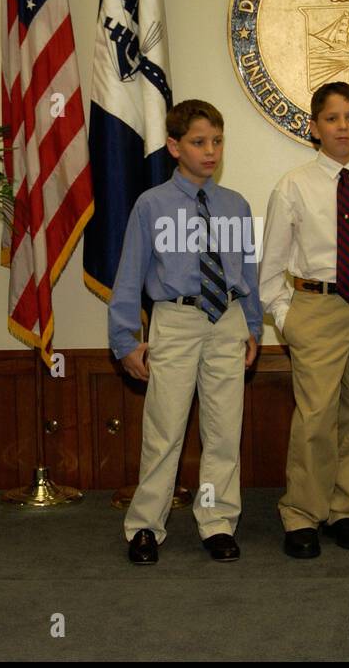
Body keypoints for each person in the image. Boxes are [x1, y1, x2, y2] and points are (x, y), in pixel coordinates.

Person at [108, 99, 262, 564]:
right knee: (165, 427)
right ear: (174, 147)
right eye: (199, 142)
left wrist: (252, 326)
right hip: (174, 320)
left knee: (222, 430)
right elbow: (130, 275)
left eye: (217, 141)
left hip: (227, 319)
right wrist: (124, 339)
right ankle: (146, 527)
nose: (210, 151)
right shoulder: (151, 205)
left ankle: (216, 522)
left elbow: (246, 271)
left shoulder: (235, 204)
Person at [259, 82, 349, 558]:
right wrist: (288, 318)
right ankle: (302, 514)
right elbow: (272, 266)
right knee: (317, 413)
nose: (343, 126)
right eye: (332, 118)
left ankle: (345, 510)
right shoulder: (293, 186)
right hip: (317, 310)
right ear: (314, 126)